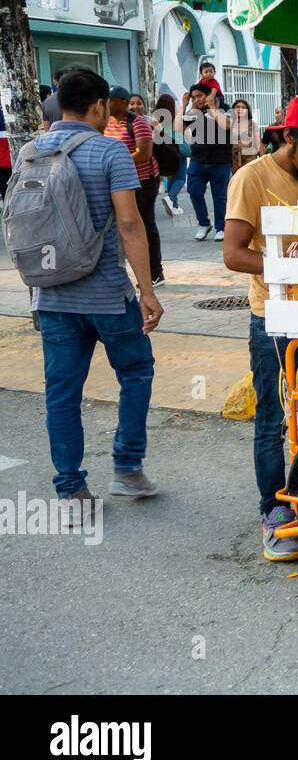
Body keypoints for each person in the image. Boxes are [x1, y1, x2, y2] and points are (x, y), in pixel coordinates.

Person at [23, 69, 164, 522]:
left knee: (61, 392)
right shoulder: (110, 151)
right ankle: (127, 465)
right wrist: (147, 290)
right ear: (100, 106)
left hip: (51, 296)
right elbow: (129, 224)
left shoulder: (30, 150)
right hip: (107, 295)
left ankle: (71, 490)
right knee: (137, 371)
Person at [224, 94, 298, 561]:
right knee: (275, 417)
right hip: (272, 318)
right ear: (289, 136)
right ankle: (274, 511)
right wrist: (294, 270)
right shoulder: (250, 179)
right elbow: (233, 254)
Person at [105, 86, 164, 287]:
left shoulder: (138, 123)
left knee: (145, 225)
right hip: (118, 181)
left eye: (110, 100)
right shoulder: (106, 122)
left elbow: (144, 154)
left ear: (122, 102)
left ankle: (156, 273)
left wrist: (115, 162)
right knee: (121, 226)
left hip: (143, 182)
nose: (106, 104)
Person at [178, 82, 233, 241]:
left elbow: (227, 125)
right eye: (193, 97)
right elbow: (178, 129)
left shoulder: (224, 107)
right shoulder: (193, 112)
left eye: (199, 96)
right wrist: (183, 105)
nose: (196, 100)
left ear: (209, 95)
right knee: (194, 190)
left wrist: (212, 108)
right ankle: (203, 223)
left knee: (219, 196)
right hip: (198, 160)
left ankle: (220, 228)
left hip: (220, 161)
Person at [153, 93, 187, 217]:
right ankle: (171, 198)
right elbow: (180, 133)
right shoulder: (174, 117)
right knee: (181, 178)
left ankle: (175, 206)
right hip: (177, 150)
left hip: (165, 153)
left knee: (171, 177)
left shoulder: (155, 119)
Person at [229, 98, 262, 174]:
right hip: (234, 161)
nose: (240, 109)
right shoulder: (229, 125)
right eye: (237, 107)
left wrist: (263, 162)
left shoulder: (253, 125)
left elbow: (259, 145)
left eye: (243, 107)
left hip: (250, 160)